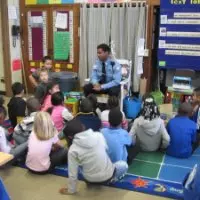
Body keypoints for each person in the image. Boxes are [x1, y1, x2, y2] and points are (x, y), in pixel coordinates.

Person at [59, 119, 128, 195]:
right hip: (108, 175)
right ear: (83, 127)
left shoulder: (72, 150)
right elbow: (106, 150)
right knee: (123, 165)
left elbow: (72, 174)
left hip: (89, 180)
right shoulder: (99, 135)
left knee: (76, 165)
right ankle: (113, 180)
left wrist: (71, 190)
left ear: (70, 137)